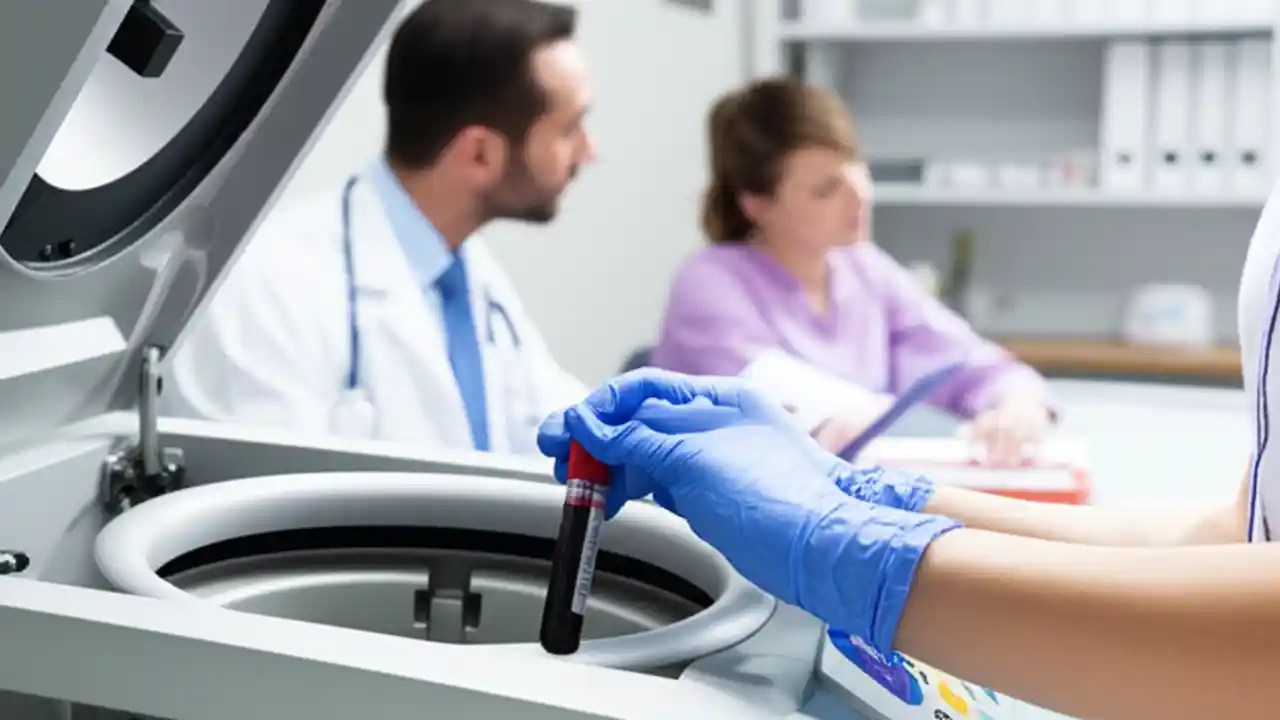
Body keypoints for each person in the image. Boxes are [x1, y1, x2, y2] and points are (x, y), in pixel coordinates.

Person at [163, 0, 594, 454]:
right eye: (571, 129)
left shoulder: (470, 279)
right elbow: (264, 504)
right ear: (479, 154)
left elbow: (550, 417)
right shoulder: (271, 286)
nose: (590, 151)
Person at [649, 79, 1052, 465]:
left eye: (857, 168)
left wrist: (1017, 404)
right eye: (826, 188)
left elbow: (964, 362)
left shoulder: (863, 269)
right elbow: (775, 411)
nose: (860, 194)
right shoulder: (709, 285)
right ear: (758, 205)